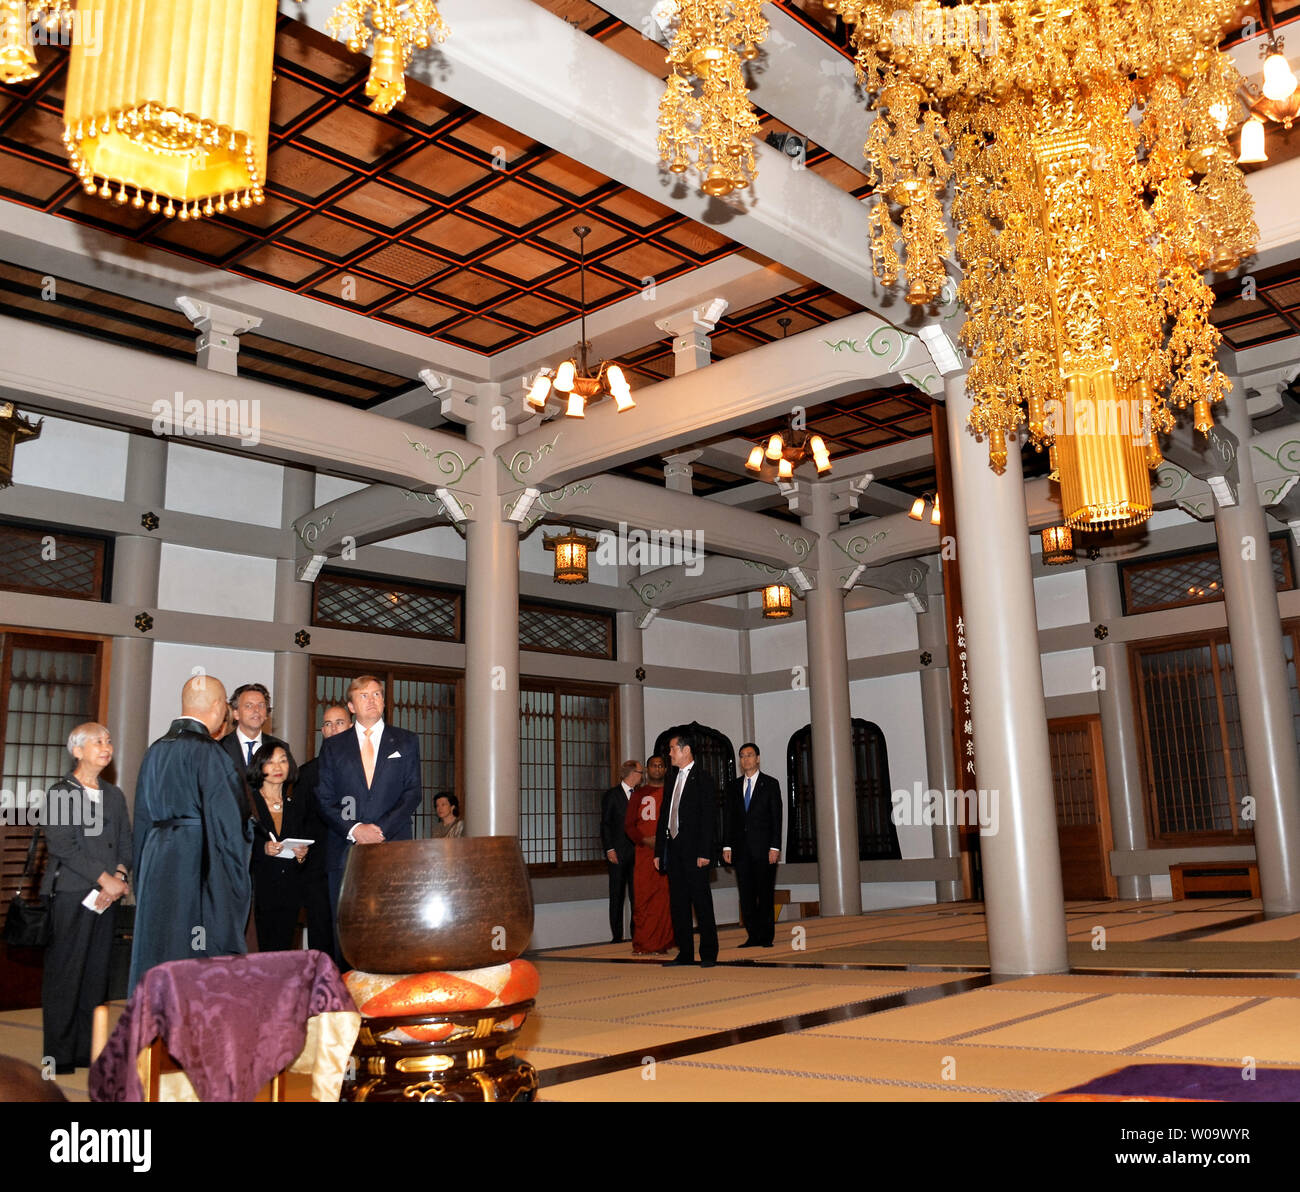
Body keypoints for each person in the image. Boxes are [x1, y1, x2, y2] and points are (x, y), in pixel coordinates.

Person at [128, 675, 252, 994]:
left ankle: (156, 1015)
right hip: (196, 863)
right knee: (194, 948)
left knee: (160, 946)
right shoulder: (210, 753)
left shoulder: (155, 750)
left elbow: (140, 819)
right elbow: (229, 827)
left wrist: (141, 876)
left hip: (155, 859)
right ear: (218, 707)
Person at [40, 723, 131, 1074]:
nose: (106, 747)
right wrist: (105, 880)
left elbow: (126, 843)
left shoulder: (114, 794)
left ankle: (87, 1050)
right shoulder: (62, 792)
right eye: (97, 742)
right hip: (72, 893)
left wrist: (120, 877)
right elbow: (63, 846)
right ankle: (58, 1057)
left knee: (96, 974)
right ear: (77, 751)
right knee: (66, 973)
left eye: (108, 741)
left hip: (107, 897)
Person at [315, 675, 422, 933]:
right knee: (348, 930)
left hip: (393, 845)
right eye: (363, 695)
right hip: (345, 849)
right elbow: (324, 797)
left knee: (393, 928)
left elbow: (412, 792)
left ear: (384, 701)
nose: (372, 700)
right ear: (351, 706)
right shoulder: (333, 746)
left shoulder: (406, 741)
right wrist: (355, 829)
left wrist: (380, 829)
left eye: (377, 694)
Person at [654, 728, 718, 968]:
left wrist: (705, 852)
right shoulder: (671, 779)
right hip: (674, 851)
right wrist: (659, 851)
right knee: (678, 903)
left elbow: (709, 818)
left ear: (686, 750)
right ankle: (685, 953)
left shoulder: (703, 778)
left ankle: (709, 953)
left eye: (673, 749)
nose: (669, 754)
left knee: (701, 902)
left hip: (695, 852)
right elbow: (664, 816)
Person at [295, 704, 351, 958]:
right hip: (317, 867)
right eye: (327, 724)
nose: (333, 728)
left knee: (351, 933)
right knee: (321, 934)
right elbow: (299, 821)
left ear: (351, 727)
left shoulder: (365, 769)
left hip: (352, 865)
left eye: (339, 722)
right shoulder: (307, 773)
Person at [247, 738, 312, 953]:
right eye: (271, 762)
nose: (278, 767)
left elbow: (303, 847)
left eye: (283, 761)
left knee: (283, 954)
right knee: (258, 954)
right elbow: (237, 843)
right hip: (257, 893)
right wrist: (262, 848)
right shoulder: (249, 805)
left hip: (288, 893)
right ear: (260, 767)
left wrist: (302, 855)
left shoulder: (295, 806)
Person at [722, 742, 783, 948]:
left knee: (764, 894)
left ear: (757, 758)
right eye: (742, 755)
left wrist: (775, 846)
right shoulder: (733, 786)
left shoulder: (770, 784)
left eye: (749, 755)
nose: (745, 759)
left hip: (764, 849)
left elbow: (776, 817)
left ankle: (766, 937)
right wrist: (727, 846)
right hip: (740, 850)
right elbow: (728, 818)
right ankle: (752, 935)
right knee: (746, 895)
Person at [623, 754, 673, 955]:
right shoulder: (638, 794)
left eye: (661, 766)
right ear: (647, 769)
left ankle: (663, 942)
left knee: (665, 898)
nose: (657, 769)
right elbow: (629, 825)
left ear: (665, 770)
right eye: (653, 765)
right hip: (644, 854)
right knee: (644, 897)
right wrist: (644, 840)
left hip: (668, 852)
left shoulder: (672, 793)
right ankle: (644, 942)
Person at [600, 760, 642, 944]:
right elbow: (605, 824)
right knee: (617, 895)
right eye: (640, 772)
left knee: (636, 896)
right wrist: (609, 848)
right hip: (617, 853)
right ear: (632, 774)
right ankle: (617, 936)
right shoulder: (612, 795)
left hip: (637, 852)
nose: (642, 776)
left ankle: (636, 934)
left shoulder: (640, 795)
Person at [221, 683, 271, 771]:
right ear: (236, 714)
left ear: (266, 714)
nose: (256, 710)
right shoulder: (220, 747)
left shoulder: (279, 747)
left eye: (261, 705)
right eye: (248, 705)